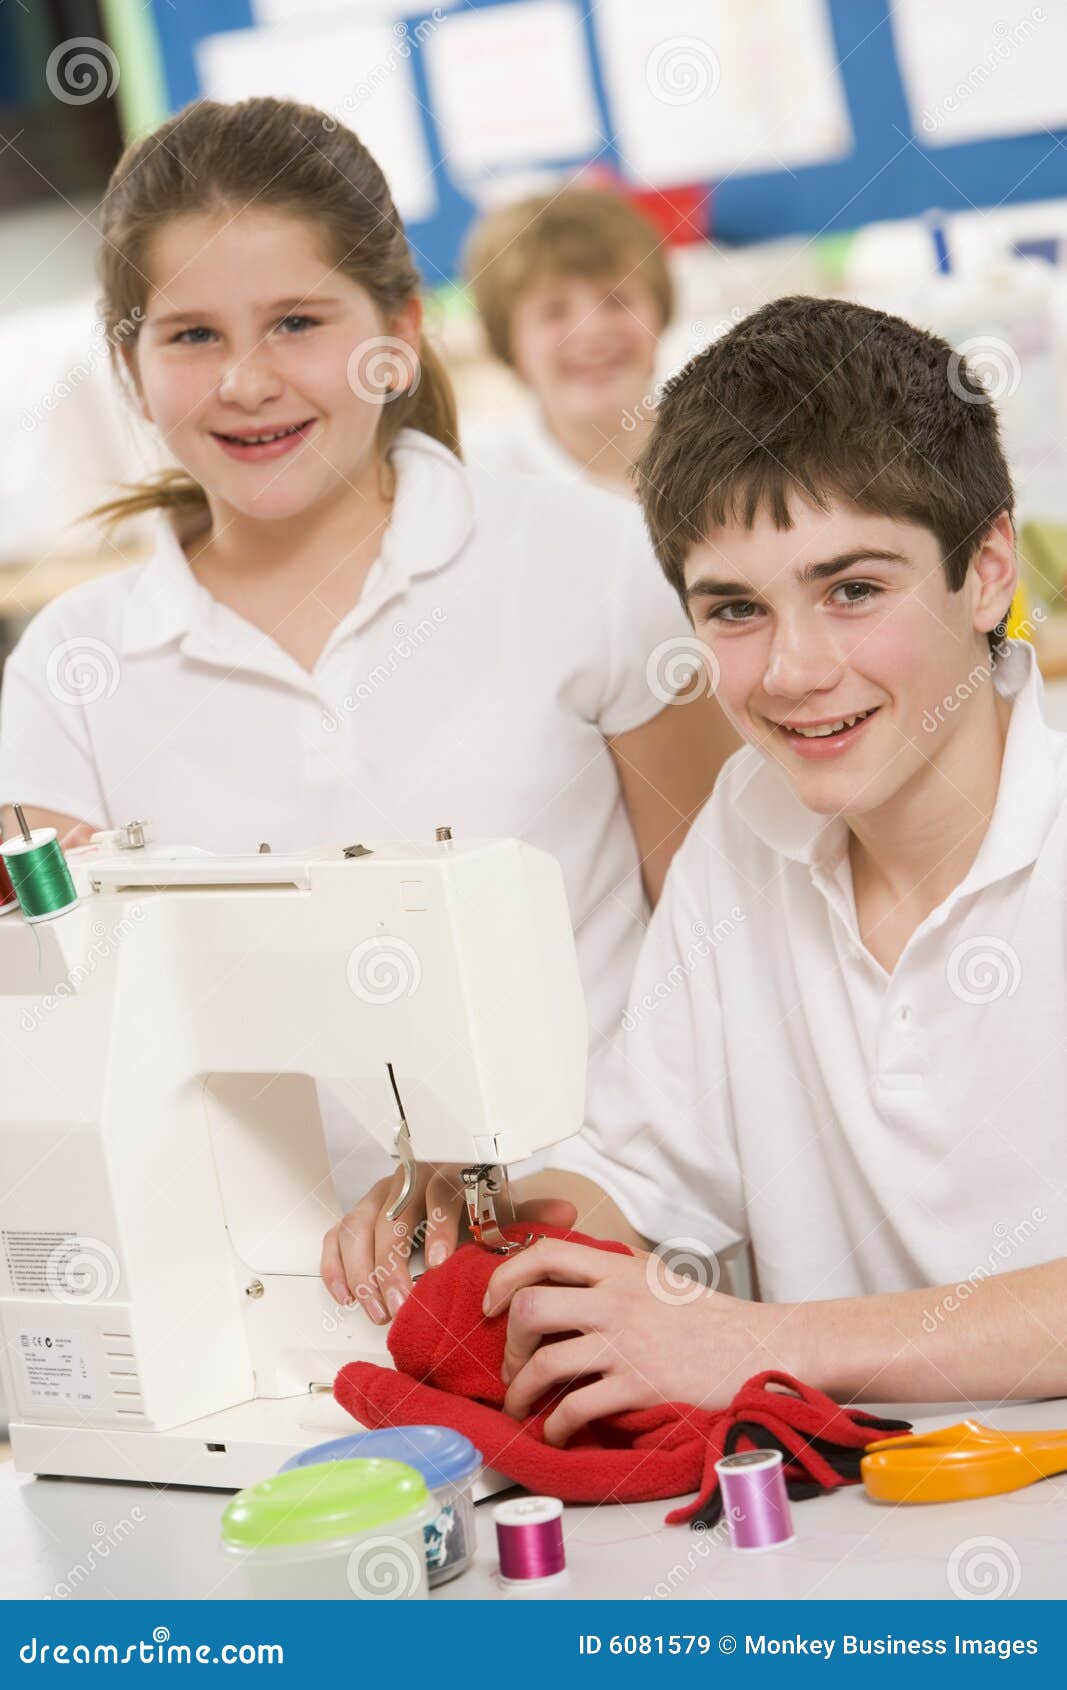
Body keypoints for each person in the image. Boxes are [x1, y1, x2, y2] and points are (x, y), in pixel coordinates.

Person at [332, 295, 1067, 1425]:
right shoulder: (746, 826)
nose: (792, 670)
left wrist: (758, 1344)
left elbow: (731, 1340)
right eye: (733, 609)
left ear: (983, 571)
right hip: (867, 1538)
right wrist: (489, 1213)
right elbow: (634, 1177)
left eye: (853, 589)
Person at [0, 98, 727, 1213]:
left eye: (298, 322)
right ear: (127, 363)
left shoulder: (588, 561)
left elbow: (724, 947)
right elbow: (66, 1044)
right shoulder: (71, 670)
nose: (247, 380)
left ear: (396, 332)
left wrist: (603, 1196)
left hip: (600, 1265)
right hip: (249, 1320)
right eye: (192, 334)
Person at [462, 187, 672, 496]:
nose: (591, 330)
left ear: (660, 312)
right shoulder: (480, 484)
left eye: (617, 301)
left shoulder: (735, 448)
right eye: (554, 311)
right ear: (509, 343)